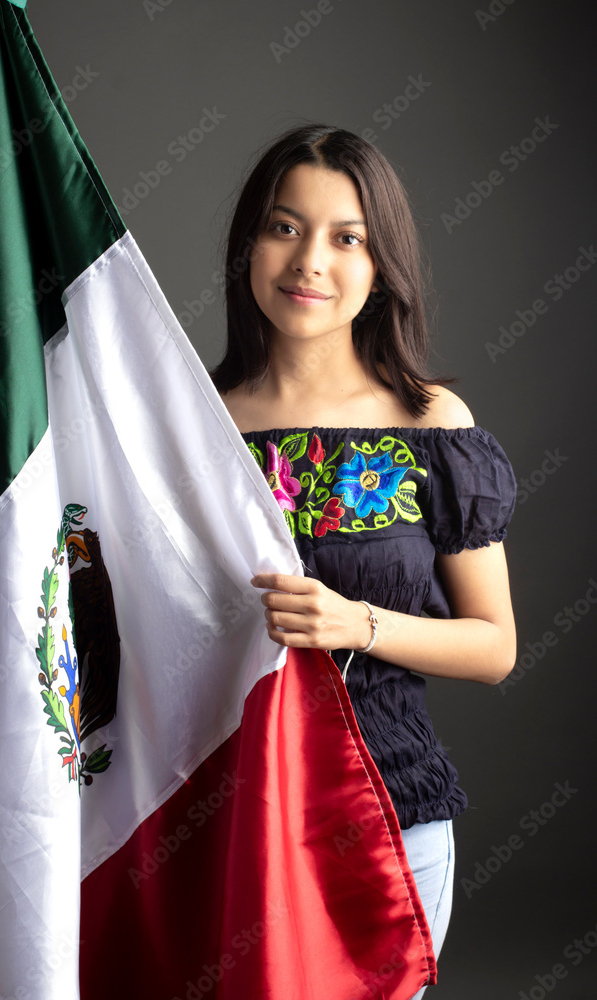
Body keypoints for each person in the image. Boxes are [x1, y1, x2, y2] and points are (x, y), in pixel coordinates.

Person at [213, 123, 517, 996]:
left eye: (346, 237)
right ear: (248, 247)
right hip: (235, 823)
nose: (309, 260)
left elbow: (493, 646)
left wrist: (359, 625)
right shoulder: (194, 426)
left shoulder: (431, 423)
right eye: (283, 227)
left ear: (381, 265)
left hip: (390, 815)